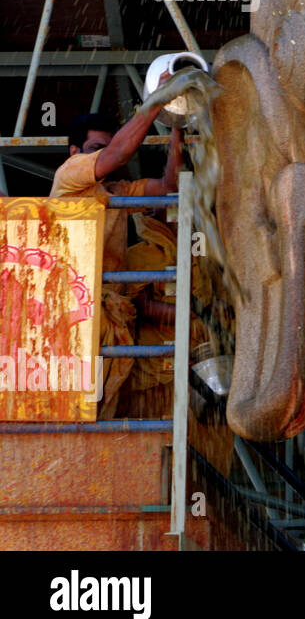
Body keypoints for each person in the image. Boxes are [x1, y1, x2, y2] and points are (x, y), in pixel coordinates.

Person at [50, 109, 183, 417]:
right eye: (97, 149)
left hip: (110, 319)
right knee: (75, 411)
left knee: (103, 411)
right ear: (74, 152)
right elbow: (120, 153)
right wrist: (156, 104)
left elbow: (170, 187)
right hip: (75, 316)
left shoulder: (117, 190)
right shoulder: (69, 175)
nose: (105, 155)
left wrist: (176, 127)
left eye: (106, 147)